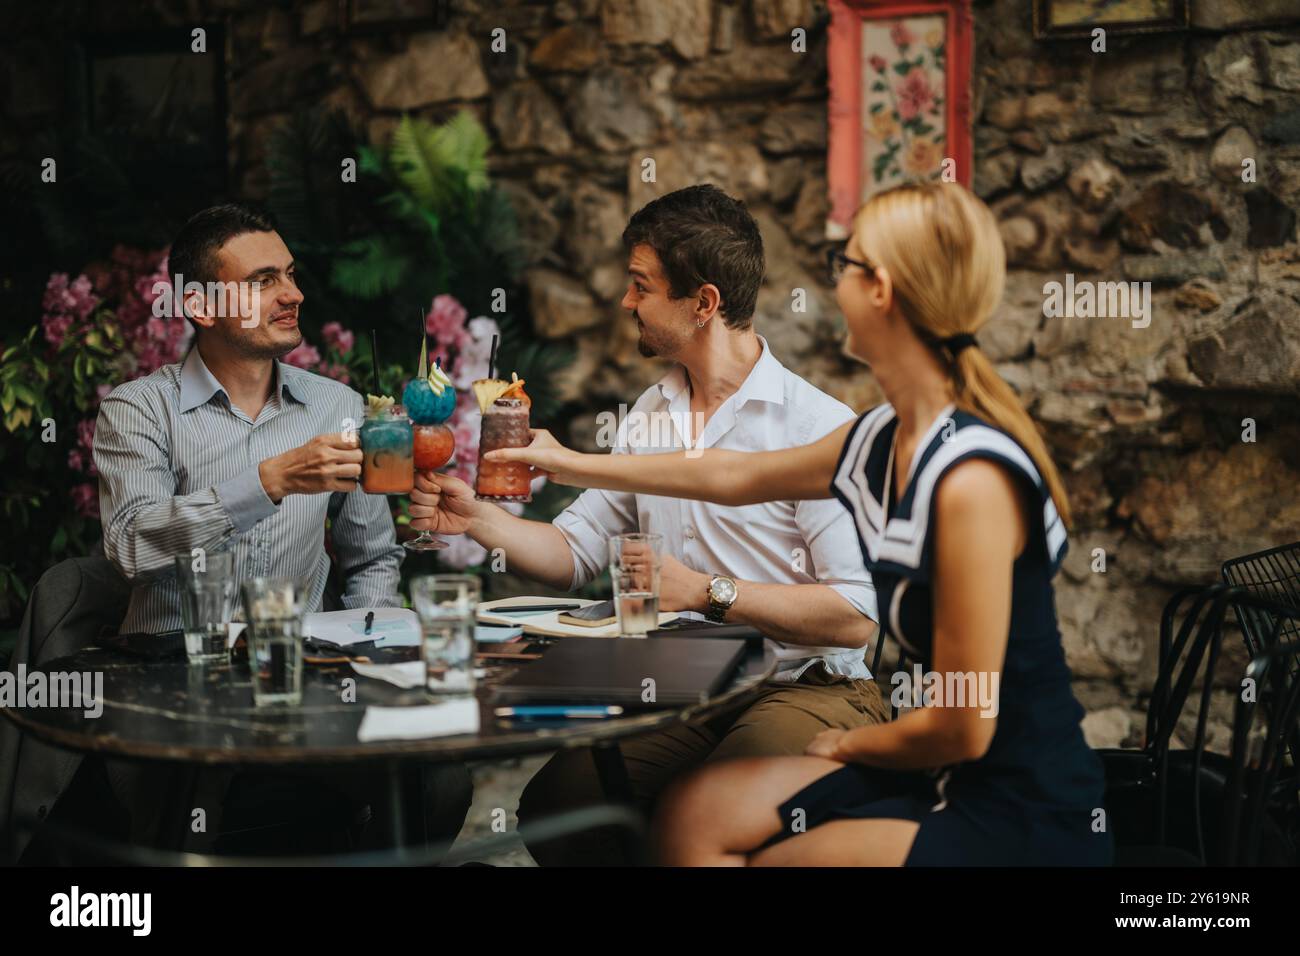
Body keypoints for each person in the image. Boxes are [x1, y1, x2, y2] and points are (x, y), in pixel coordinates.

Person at [484, 182, 1113, 866]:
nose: (831, 281)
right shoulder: (879, 439)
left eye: (847, 264)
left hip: (1005, 804)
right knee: (688, 816)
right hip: (937, 769)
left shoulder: (969, 480)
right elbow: (726, 474)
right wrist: (567, 463)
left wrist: (848, 744)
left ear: (884, 291)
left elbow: (964, 726)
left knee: (716, 832)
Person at [409, 184, 888, 865]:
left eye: (641, 286)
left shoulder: (817, 426)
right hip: (683, 683)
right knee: (561, 808)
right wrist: (481, 519)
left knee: (705, 808)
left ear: (705, 303)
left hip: (805, 685)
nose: (626, 302)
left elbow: (856, 616)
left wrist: (706, 593)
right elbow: (574, 551)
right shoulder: (650, 412)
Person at [93, 203, 471, 852]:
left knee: (439, 780)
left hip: (306, 678)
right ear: (202, 305)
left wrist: (373, 653)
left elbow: (372, 557)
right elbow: (130, 545)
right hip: (178, 684)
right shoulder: (138, 410)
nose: (292, 294)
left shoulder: (336, 405)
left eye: (290, 275)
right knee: (239, 816)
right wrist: (268, 483)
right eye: (263, 280)